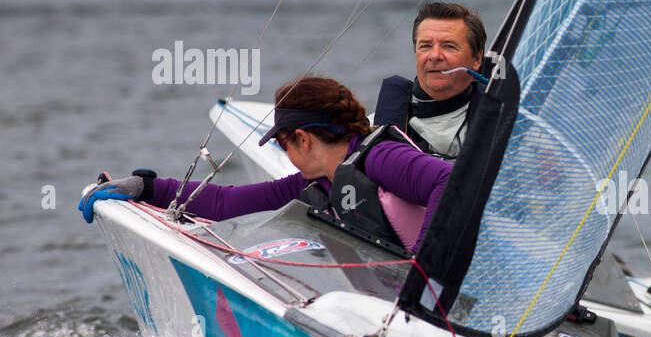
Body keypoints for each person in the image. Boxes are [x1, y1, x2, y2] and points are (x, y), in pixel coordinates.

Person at [79, 76, 452, 254]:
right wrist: (148, 188)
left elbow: (449, 181)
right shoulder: (319, 182)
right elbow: (227, 203)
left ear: (302, 139)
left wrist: (422, 264)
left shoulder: (381, 158)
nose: (285, 154)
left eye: (282, 143)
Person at [373, 1, 487, 159]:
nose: (434, 56)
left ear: (477, 59)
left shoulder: (504, 126)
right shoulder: (376, 129)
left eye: (449, 46)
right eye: (425, 46)